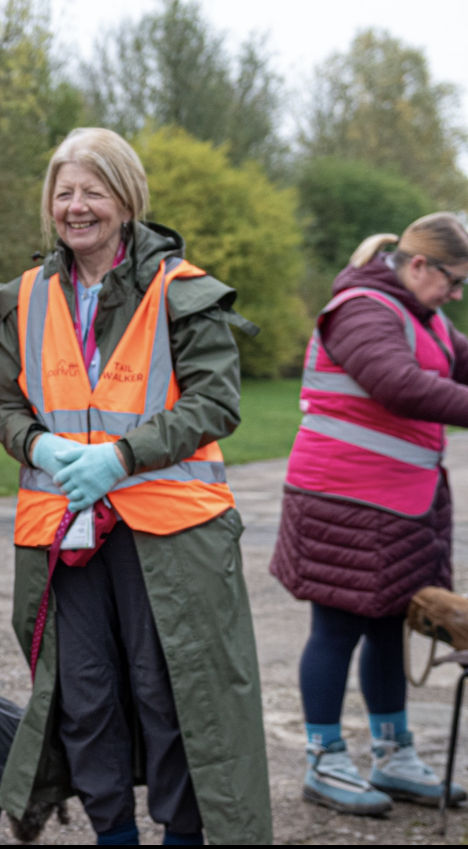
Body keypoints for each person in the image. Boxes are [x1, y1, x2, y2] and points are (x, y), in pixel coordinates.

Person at [0, 128, 272, 845]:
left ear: (127, 199)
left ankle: (182, 833)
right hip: (64, 531)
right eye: (64, 191)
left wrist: (121, 456)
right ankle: (112, 832)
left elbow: (216, 402)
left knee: (168, 690)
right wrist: (38, 441)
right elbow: (5, 401)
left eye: (93, 190)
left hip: (167, 530)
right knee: (83, 697)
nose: (76, 206)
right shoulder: (24, 296)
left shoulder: (182, 291)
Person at [271, 213, 468, 815]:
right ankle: (323, 760)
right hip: (342, 502)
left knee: (390, 624)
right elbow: (397, 385)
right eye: (454, 280)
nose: (457, 294)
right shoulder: (361, 309)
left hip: (398, 503)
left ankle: (392, 754)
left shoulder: (424, 316)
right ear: (418, 266)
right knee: (336, 630)